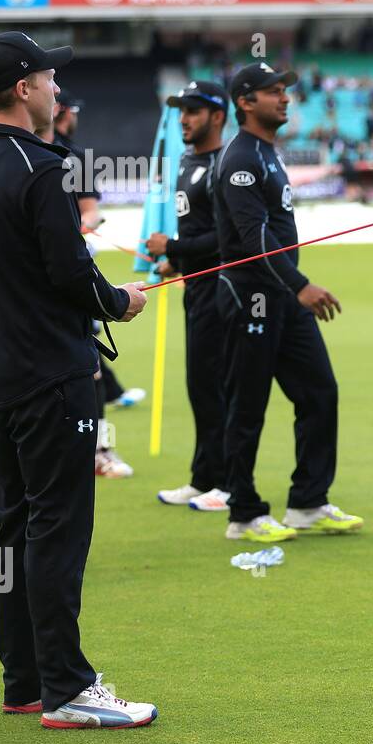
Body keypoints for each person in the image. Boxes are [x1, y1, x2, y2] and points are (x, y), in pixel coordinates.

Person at [0, 31, 155, 727]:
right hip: (49, 377)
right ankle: (67, 686)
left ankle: (26, 680)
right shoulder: (41, 167)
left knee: (13, 531)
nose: (56, 89)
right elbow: (70, 273)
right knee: (57, 531)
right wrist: (119, 301)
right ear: (22, 89)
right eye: (47, 78)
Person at [213, 61, 362, 542]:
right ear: (245, 101)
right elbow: (253, 235)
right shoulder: (239, 158)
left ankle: (308, 502)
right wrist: (299, 284)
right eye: (273, 91)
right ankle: (244, 513)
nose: (285, 98)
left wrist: (292, 289)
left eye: (285, 91)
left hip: (282, 297)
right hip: (251, 296)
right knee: (247, 406)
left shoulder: (267, 153)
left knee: (320, 393)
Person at [147, 81, 232, 512]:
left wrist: (174, 249)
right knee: (199, 386)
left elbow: (228, 238)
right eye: (182, 110)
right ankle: (204, 478)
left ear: (217, 116)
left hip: (224, 292)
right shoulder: (186, 160)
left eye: (194, 111)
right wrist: (176, 263)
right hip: (195, 289)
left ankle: (228, 482)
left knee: (218, 388)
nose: (184, 117)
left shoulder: (225, 164)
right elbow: (200, 233)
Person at [52, 92, 145, 478]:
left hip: (72, 267)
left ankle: (99, 450)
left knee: (89, 366)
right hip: (36, 280)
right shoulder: (16, 150)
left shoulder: (75, 155)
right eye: (72, 110)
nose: (74, 117)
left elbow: (90, 210)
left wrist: (74, 229)